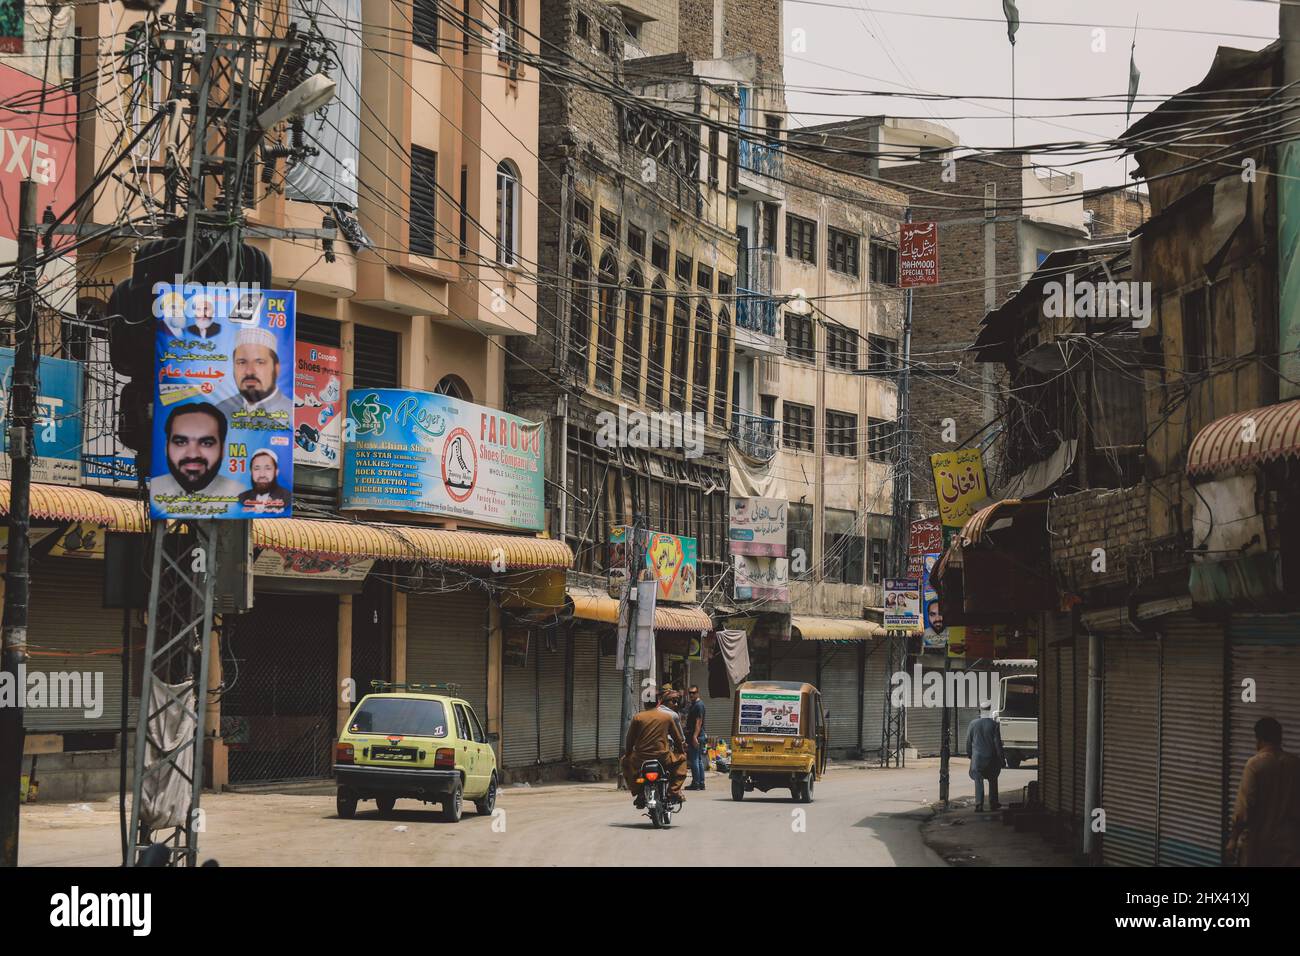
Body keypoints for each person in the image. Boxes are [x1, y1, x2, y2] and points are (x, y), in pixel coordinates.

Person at [1227, 717, 1300, 865]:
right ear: (1279, 738)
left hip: (1258, 848)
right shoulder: (1295, 764)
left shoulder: (1255, 765)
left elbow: (1243, 809)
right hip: (1288, 848)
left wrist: (1233, 840)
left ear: (1259, 739)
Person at [150, 403, 244, 499]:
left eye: (206, 443)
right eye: (180, 442)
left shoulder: (241, 496)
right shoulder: (154, 493)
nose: (193, 455)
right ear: (166, 447)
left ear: (223, 449)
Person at [622, 688, 688, 808]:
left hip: (640, 758)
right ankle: (673, 791)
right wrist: (681, 751)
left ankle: (638, 792)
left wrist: (628, 754)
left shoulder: (638, 717)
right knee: (682, 760)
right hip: (663, 757)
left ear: (644, 702)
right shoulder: (666, 717)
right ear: (658, 702)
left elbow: (629, 739)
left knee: (624, 762)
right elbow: (677, 738)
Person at [216, 326, 290, 421]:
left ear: (276, 369)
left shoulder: (291, 416)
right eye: (242, 362)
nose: (249, 371)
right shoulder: (220, 411)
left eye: (260, 362)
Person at [965, 709, 1005, 812]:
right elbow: (997, 744)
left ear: (980, 712)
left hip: (977, 759)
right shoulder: (994, 724)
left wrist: (970, 755)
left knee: (978, 781)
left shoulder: (973, 724)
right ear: (989, 711)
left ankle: (979, 805)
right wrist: (1001, 758)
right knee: (993, 780)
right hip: (991, 758)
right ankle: (993, 803)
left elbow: (968, 741)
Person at [685, 685, 707, 790]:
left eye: (693, 693)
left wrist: (694, 737)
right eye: (690, 693)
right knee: (698, 760)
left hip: (697, 735)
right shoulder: (694, 705)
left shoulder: (699, 705)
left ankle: (696, 783)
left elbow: (699, 722)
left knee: (694, 760)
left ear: (698, 693)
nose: (691, 695)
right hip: (698, 735)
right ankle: (701, 783)